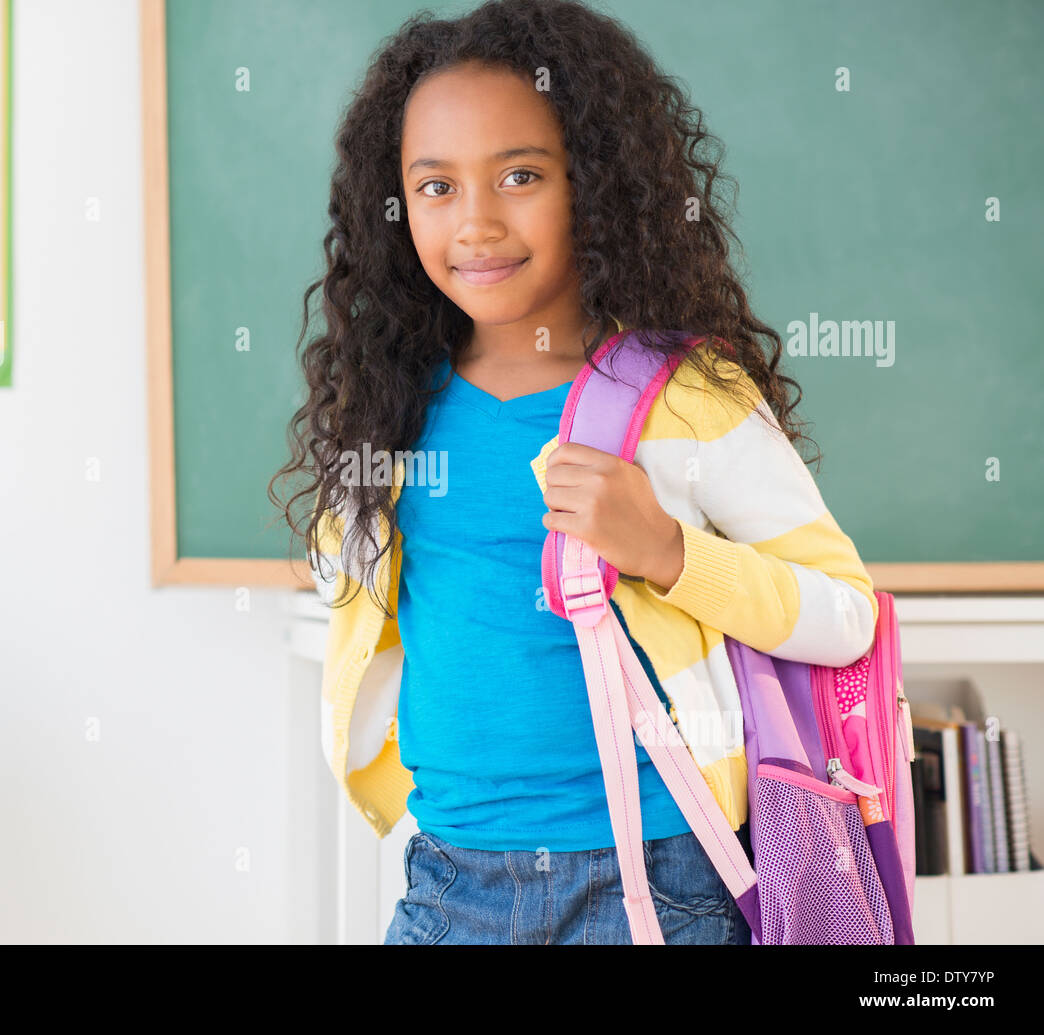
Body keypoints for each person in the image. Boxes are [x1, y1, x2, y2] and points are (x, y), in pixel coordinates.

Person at [268, 0, 878, 945]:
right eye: (435, 187)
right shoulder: (392, 403)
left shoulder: (685, 397)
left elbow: (845, 615)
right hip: (447, 879)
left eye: (520, 175)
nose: (476, 223)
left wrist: (671, 553)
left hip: (657, 883)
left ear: (595, 184)